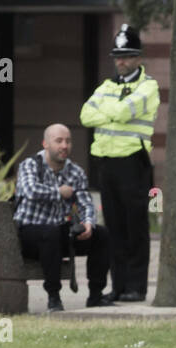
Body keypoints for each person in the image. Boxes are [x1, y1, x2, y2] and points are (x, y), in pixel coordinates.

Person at [80, 23, 160, 303]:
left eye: (126, 56)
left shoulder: (148, 87)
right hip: (107, 165)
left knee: (135, 227)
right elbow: (85, 116)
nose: (121, 61)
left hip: (133, 163)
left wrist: (108, 111)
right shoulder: (106, 85)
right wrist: (111, 114)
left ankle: (136, 287)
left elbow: (125, 113)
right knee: (114, 228)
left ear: (138, 58)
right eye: (117, 56)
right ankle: (119, 286)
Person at [14, 123, 113, 312]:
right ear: (45, 144)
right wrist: (58, 192)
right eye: (58, 141)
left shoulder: (75, 172)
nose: (64, 146)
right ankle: (54, 298)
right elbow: (29, 190)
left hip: (59, 233)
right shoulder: (30, 164)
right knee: (50, 233)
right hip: (30, 233)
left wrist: (88, 224)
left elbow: (85, 203)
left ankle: (95, 296)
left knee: (101, 235)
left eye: (68, 141)